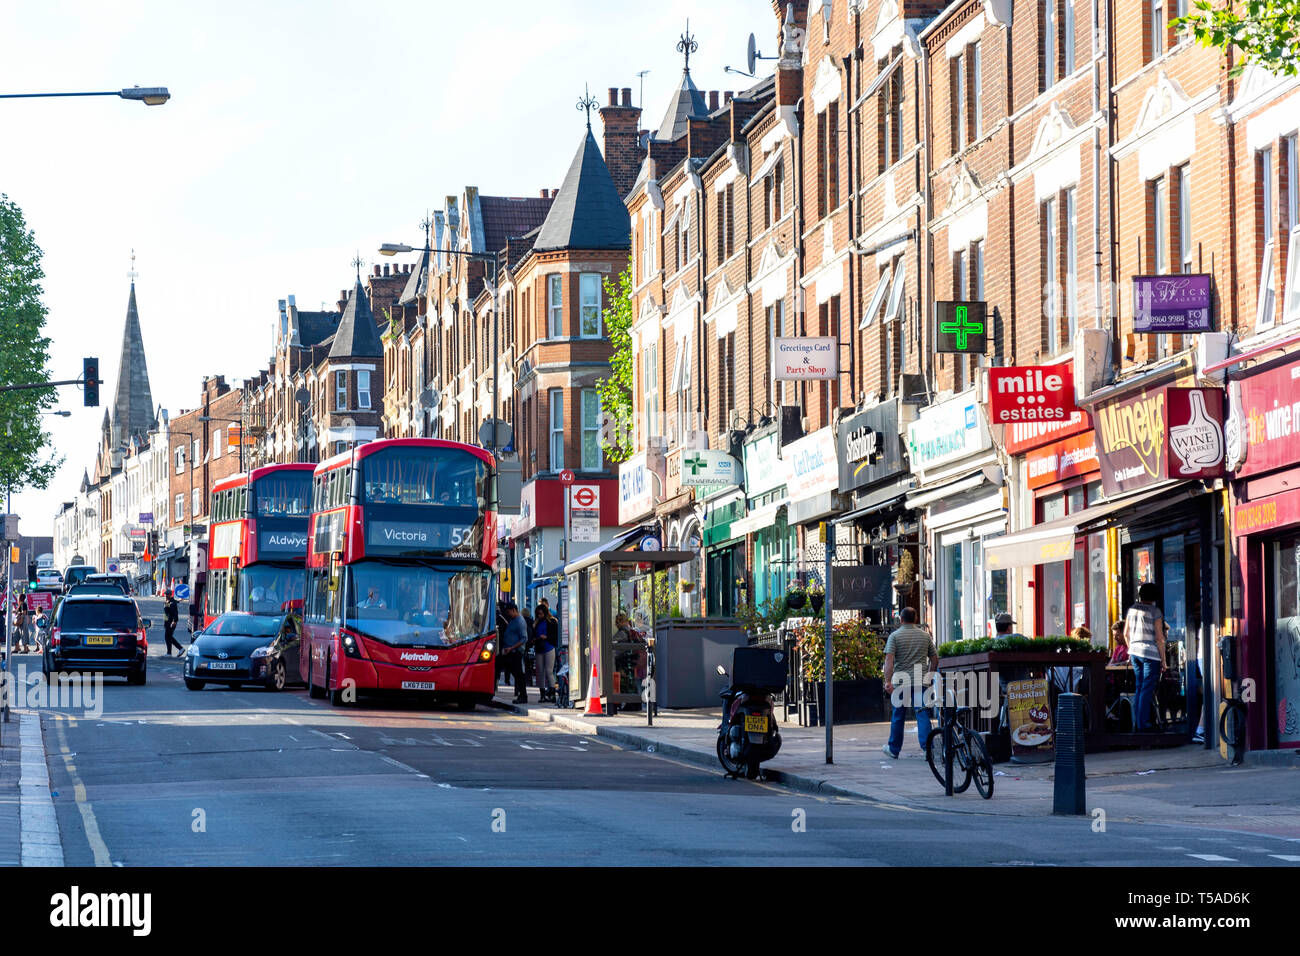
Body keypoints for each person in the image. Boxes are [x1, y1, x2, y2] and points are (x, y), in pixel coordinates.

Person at [881, 607, 938, 759]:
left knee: (898, 716)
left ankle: (894, 749)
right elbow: (934, 658)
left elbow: (889, 660)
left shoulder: (895, 636)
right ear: (916, 619)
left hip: (901, 682)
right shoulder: (925, 636)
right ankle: (928, 749)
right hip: (921, 680)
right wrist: (930, 676)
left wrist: (888, 681)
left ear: (901, 619)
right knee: (922, 714)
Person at [1124, 583, 1166, 732]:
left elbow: (1125, 634)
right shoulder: (1155, 612)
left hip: (1135, 652)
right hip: (1150, 654)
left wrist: (1131, 648)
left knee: (1139, 687)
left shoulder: (1132, 610)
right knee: (1147, 688)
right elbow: (1160, 638)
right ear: (1155, 597)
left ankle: (1138, 723)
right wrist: (1164, 660)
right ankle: (1143, 724)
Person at [500, 601, 529, 704]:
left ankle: (523, 696)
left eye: (509, 612)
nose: (508, 614)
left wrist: (511, 648)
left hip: (516, 652)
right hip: (510, 651)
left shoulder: (520, 621)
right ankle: (522, 695)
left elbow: (524, 638)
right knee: (516, 674)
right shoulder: (513, 620)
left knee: (519, 674)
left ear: (514, 610)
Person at [534, 606, 557, 703]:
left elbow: (555, 635)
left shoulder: (552, 621)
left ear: (545, 613)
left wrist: (546, 637)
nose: (539, 616)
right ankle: (542, 694)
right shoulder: (537, 622)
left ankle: (552, 694)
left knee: (549, 671)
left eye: (541, 614)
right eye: (538, 614)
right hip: (539, 648)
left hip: (549, 647)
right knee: (540, 672)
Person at [163, 591, 183, 657]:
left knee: (168, 636)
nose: (166, 595)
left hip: (170, 622)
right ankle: (179, 649)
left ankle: (171, 652)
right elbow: (167, 611)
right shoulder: (168, 601)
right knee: (168, 637)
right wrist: (178, 600)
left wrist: (174, 621)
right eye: (165, 594)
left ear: (170, 595)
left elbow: (175, 613)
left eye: (167, 594)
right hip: (167, 622)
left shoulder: (172, 603)